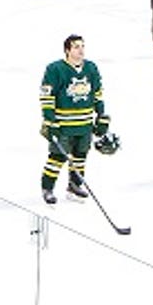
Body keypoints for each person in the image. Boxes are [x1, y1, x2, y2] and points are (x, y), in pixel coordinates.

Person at [36, 34, 107, 206]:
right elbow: (47, 97)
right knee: (57, 158)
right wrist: (50, 121)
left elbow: (97, 93)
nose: (81, 50)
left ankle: (74, 185)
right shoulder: (55, 69)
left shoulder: (91, 68)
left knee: (80, 157)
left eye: (82, 46)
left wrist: (101, 116)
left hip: (84, 124)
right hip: (63, 125)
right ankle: (47, 188)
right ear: (67, 50)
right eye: (76, 47)